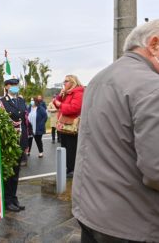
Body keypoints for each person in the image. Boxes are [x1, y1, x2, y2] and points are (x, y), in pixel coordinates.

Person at [72, 19, 159, 243]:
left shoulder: (99, 78)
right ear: (155, 44)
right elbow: (156, 169)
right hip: (131, 222)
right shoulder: (152, 85)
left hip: (91, 211)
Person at [0, 74, 28, 212]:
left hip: (19, 140)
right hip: (7, 142)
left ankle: (14, 198)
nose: (16, 87)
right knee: (8, 173)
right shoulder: (1, 102)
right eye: (13, 84)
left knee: (16, 172)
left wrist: (25, 142)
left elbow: (24, 122)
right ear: (7, 86)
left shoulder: (21, 100)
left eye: (17, 84)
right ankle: (6, 200)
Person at [53, 75, 84, 178]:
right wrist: (59, 96)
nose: (64, 83)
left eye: (66, 81)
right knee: (65, 147)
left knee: (71, 148)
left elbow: (74, 108)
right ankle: (68, 168)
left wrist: (60, 105)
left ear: (72, 82)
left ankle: (72, 169)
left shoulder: (78, 93)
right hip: (65, 125)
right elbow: (56, 104)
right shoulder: (67, 93)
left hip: (72, 126)